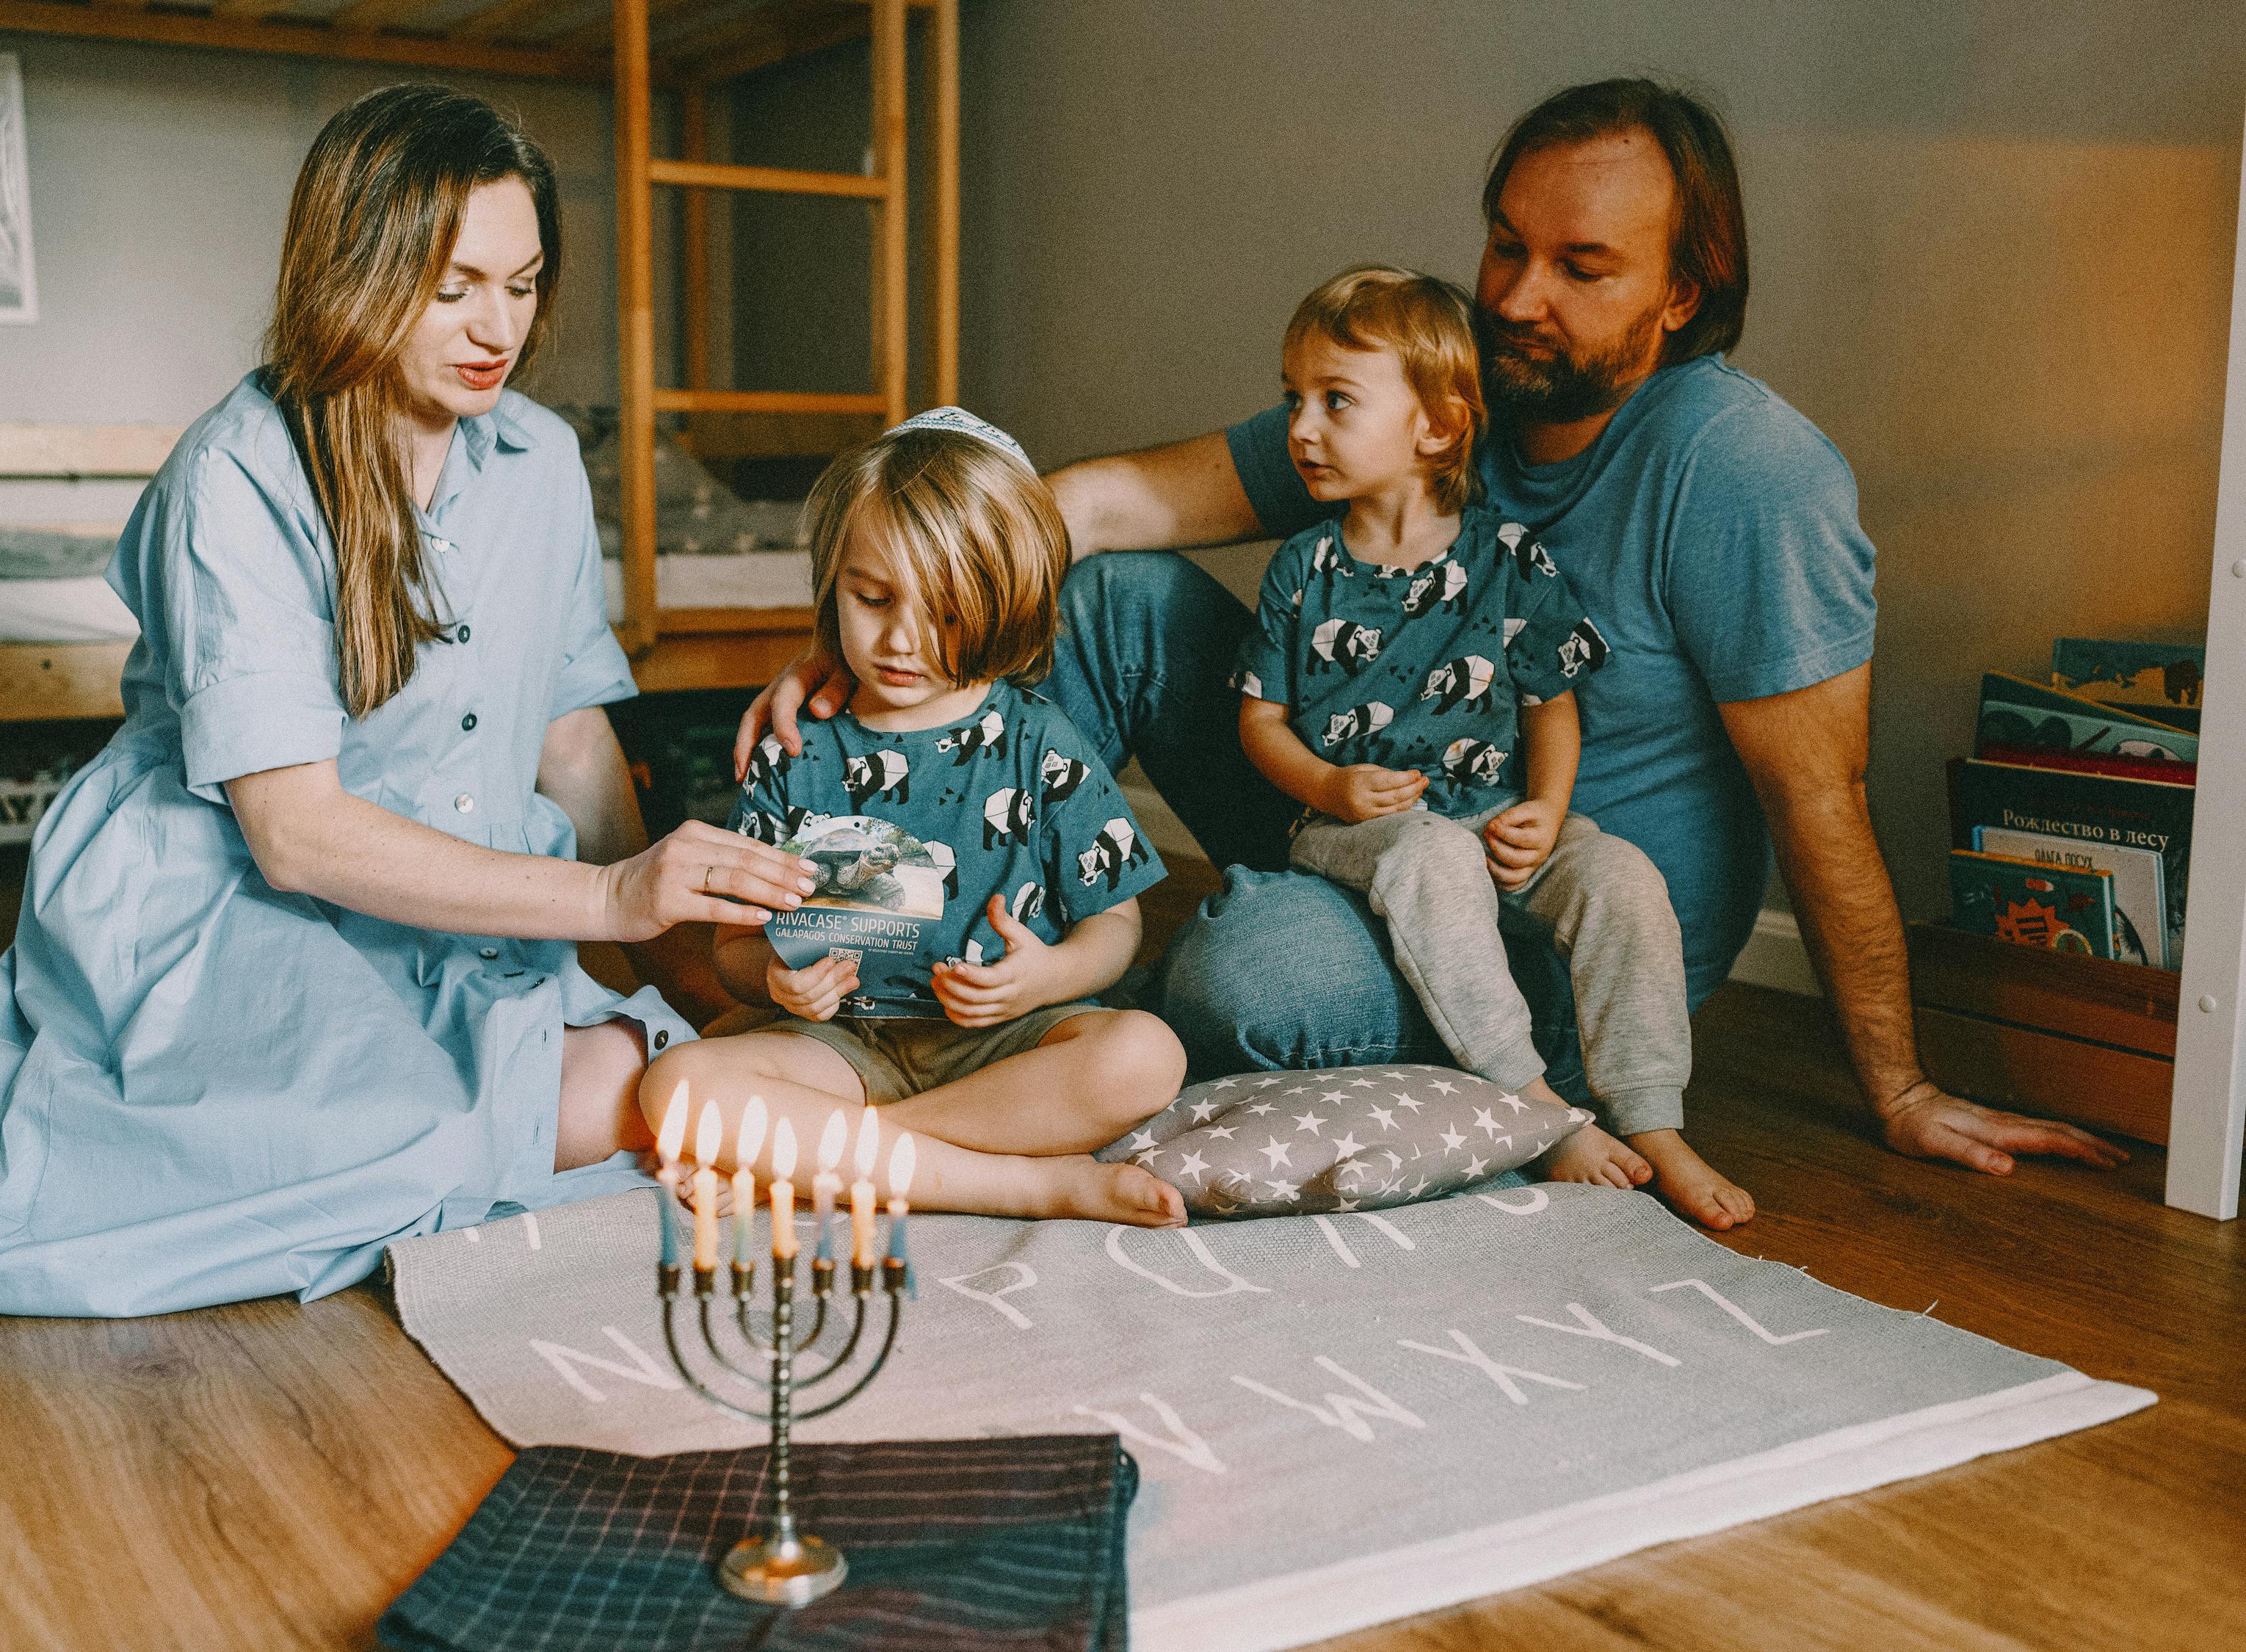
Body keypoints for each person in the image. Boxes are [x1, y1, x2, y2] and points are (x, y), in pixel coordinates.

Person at [738, 78, 2126, 1187]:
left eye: (1582, 267)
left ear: (1682, 292)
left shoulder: (1743, 471)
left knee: (1249, 968)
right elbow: (1094, 505)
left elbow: (1819, 799)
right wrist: (879, 632)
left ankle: (1105, 1020)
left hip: (1537, 943)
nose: (1519, 297)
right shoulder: (1430, 387)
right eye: (1507, 245)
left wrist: (1898, 1086)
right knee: (1106, 603)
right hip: (1353, 828)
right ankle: (897, 975)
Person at [0, 87, 818, 1316]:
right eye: (456, 286)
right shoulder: (237, 474)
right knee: (465, 1137)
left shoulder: (535, 461)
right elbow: (298, 836)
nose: (500, 328)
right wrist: (605, 896)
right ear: (359, 270)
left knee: (639, 1086)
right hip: (240, 911)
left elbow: (570, 740)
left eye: (524, 285)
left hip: (464, 905)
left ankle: (89, 1108)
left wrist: (660, 951)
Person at [1239, 265, 1745, 1224]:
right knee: (1429, 854)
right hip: (1351, 831)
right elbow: (1258, 720)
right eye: (1291, 399)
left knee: (1620, 874)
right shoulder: (1301, 570)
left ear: (1435, 425)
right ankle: (1530, 1102)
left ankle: (1650, 1115)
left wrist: (1548, 810)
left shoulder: (1507, 559)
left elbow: (1551, 702)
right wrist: (1329, 785)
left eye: (1334, 401)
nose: (1299, 427)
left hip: (1490, 821)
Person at [645, 410, 1187, 1226]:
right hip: (846, 1048)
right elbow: (733, 950)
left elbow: (1116, 924)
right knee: (677, 1084)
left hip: (1007, 1046)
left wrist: (1050, 976)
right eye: (872, 598)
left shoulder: (1042, 741)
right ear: (834, 581)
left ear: (1005, 601)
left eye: (946, 611)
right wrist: (777, 982)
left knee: (1146, 1057)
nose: (901, 639)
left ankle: (827, 1157)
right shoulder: (797, 748)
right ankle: (1031, 1185)